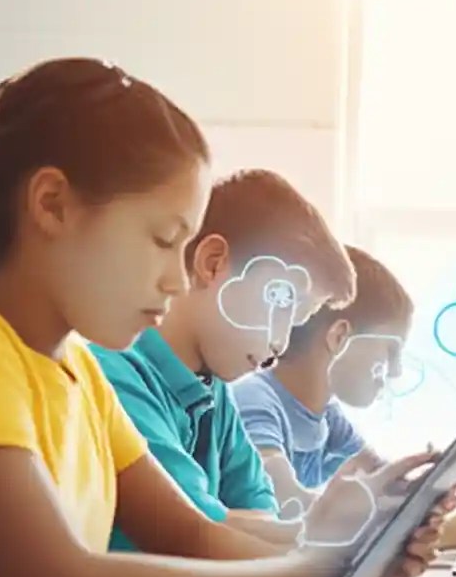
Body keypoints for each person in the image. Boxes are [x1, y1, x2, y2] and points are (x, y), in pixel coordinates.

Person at [0, 58, 446, 577]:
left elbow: (196, 533)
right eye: (160, 238)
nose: (177, 280)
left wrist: (356, 553)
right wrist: (319, 568)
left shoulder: (79, 371)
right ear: (53, 205)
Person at [90, 168, 373, 549]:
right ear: (212, 263)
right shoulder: (113, 369)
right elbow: (196, 530)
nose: (281, 345)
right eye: (284, 304)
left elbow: (261, 516)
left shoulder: (214, 393)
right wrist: (330, 540)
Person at [232, 245, 456, 545]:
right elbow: (287, 505)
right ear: (338, 338)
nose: (396, 371)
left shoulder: (328, 417)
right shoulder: (254, 399)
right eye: (390, 350)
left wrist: (424, 492)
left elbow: (382, 477)